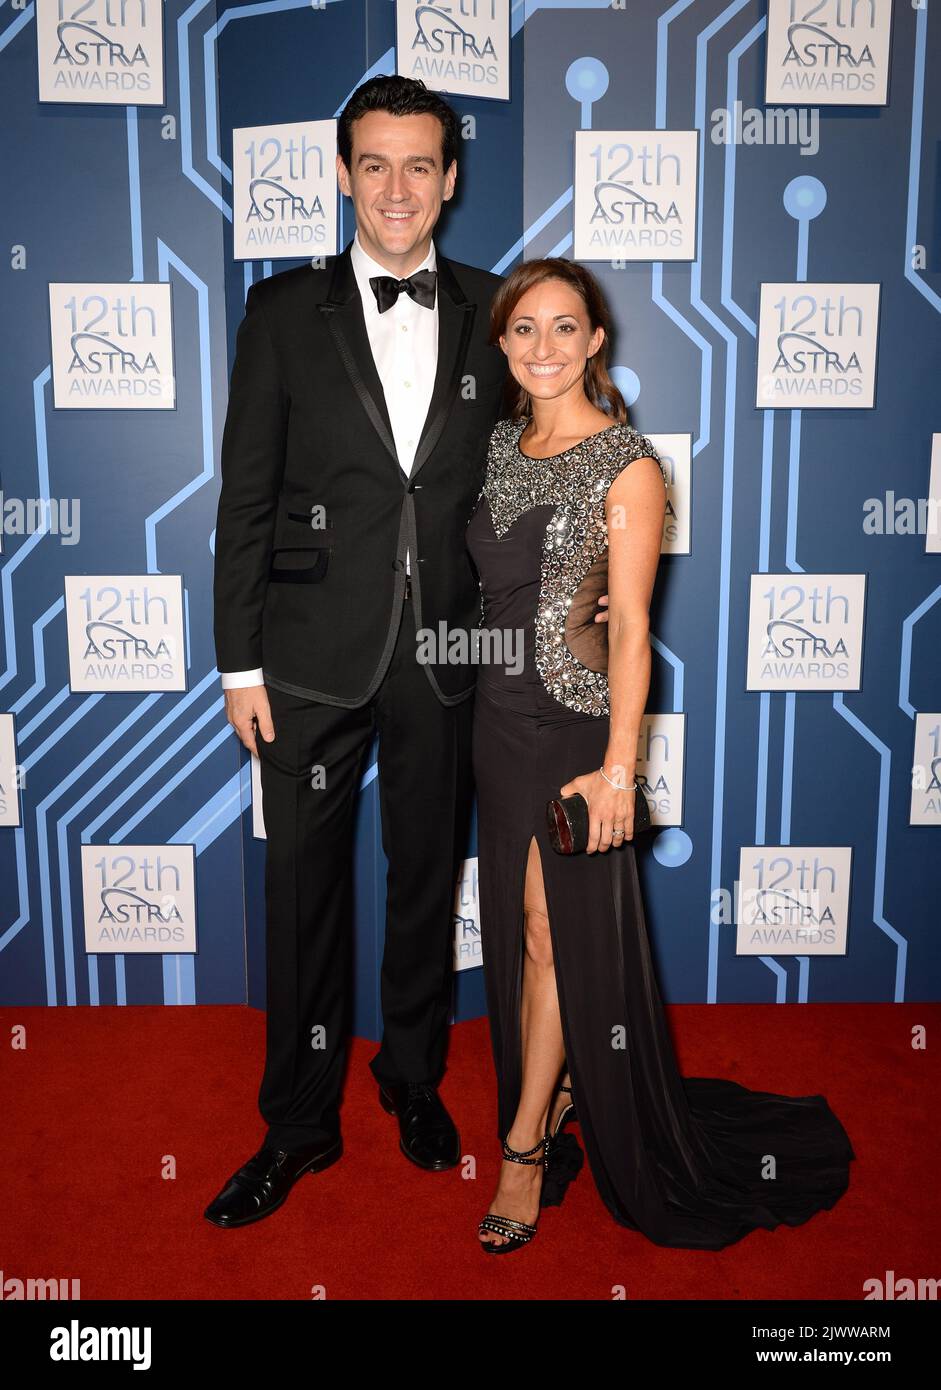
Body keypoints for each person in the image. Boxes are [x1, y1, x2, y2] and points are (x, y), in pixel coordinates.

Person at [465, 258, 856, 1252]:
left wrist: (618, 770)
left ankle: (522, 1145)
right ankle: (547, 1103)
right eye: (523, 329)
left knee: (556, 938)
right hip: (492, 722)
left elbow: (633, 628)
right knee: (517, 926)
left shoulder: (628, 461)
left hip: (571, 725)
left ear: (595, 340)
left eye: (564, 326)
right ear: (503, 344)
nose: (542, 346)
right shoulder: (496, 446)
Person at [205, 76, 513, 1228]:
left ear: (449, 175)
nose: (396, 187)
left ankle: (412, 1080)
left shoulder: (495, 310)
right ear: (341, 174)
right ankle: (296, 1123)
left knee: (427, 883)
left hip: (443, 653)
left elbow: (520, 493)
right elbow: (246, 500)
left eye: (419, 165)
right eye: (373, 164)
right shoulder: (284, 314)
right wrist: (238, 663)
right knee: (301, 896)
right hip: (304, 661)